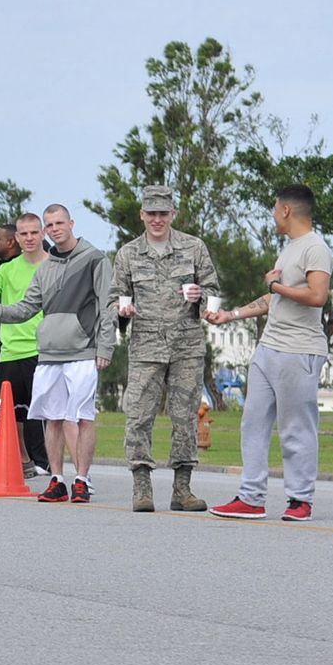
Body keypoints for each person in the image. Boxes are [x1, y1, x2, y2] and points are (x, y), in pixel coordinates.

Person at [0, 204, 114, 503]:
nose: (55, 229)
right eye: (50, 225)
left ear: (71, 223)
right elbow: (26, 308)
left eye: (59, 223)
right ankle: (57, 479)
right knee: (52, 418)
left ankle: (82, 479)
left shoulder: (94, 259)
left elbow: (107, 306)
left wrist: (105, 347)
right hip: (49, 354)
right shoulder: (46, 267)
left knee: (82, 417)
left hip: (83, 350)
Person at [206, 184, 332, 522]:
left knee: (295, 428)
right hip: (269, 348)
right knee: (253, 422)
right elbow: (273, 299)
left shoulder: (316, 248)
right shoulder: (289, 249)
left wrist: (275, 286)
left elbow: (318, 295)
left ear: (287, 210)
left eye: (275, 209)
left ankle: (300, 500)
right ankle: (251, 497)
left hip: (299, 350)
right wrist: (229, 315)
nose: (273, 215)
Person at [108, 185, 218, 512]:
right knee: (139, 416)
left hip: (186, 346)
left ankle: (181, 489)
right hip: (145, 347)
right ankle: (141, 486)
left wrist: (203, 298)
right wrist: (121, 311)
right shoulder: (128, 253)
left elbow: (214, 294)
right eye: (151, 213)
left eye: (163, 214)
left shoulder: (194, 248)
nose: (157, 220)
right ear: (142, 215)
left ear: (173, 215)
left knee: (185, 417)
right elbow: (115, 297)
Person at [0, 213, 49, 485]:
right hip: (11, 353)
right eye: (24, 234)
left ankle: (62, 472)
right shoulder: (6, 270)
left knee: (53, 416)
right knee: (3, 415)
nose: (29, 238)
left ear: (42, 233)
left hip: (47, 351)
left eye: (34, 232)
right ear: (17, 238)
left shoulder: (56, 265)